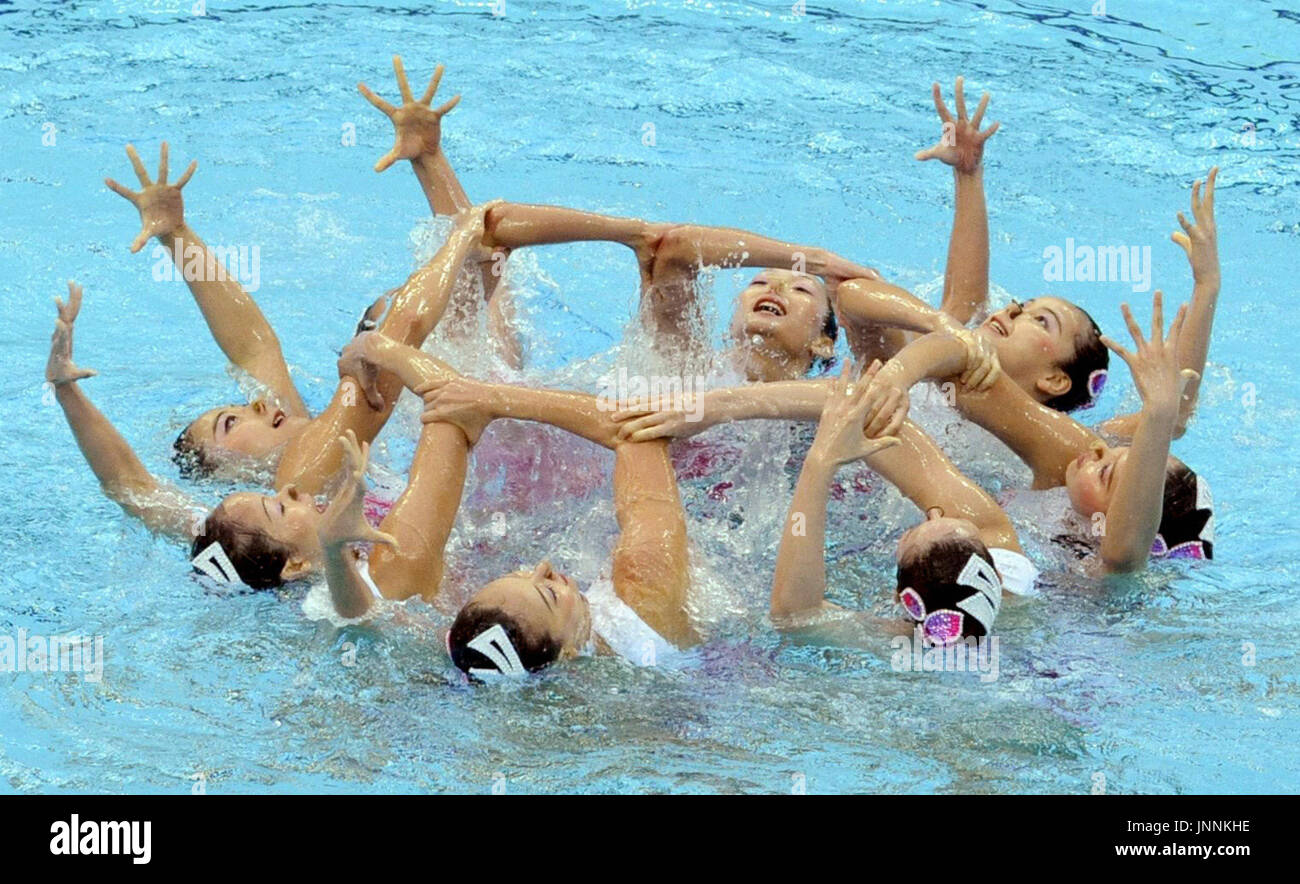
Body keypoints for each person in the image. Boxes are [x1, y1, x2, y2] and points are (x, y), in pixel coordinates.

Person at [314, 346, 700, 675]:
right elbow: (640, 431)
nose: (544, 566)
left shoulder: (458, 645)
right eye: (549, 592)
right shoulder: (643, 611)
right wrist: (496, 400)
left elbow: (451, 408)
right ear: (569, 655)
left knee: (402, 566)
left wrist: (332, 549)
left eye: (517, 575)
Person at [770, 362, 1035, 645]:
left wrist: (821, 459)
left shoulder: (891, 643)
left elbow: (793, 613)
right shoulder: (1020, 584)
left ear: (899, 597)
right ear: (997, 574)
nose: (933, 511)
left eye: (912, 532)